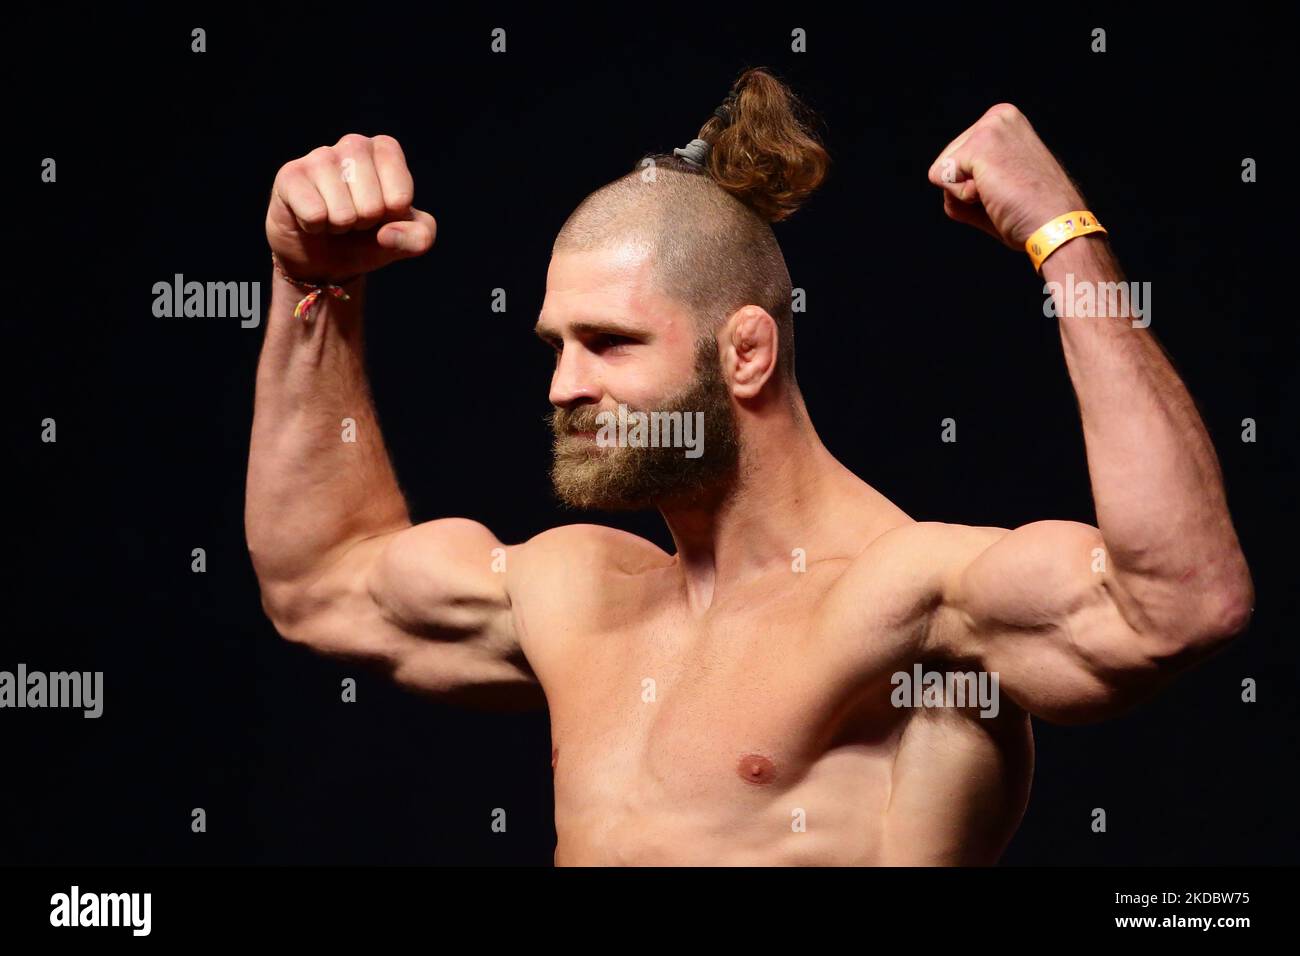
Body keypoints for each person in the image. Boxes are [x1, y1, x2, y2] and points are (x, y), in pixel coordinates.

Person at [245, 67, 1253, 865]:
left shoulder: (912, 605)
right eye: (555, 348)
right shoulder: (578, 593)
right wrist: (315, 285)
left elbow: (1179, 603)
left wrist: (1060, 239)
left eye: (608, 341)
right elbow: (320, 579)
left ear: (747, 351)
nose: (562, 388)